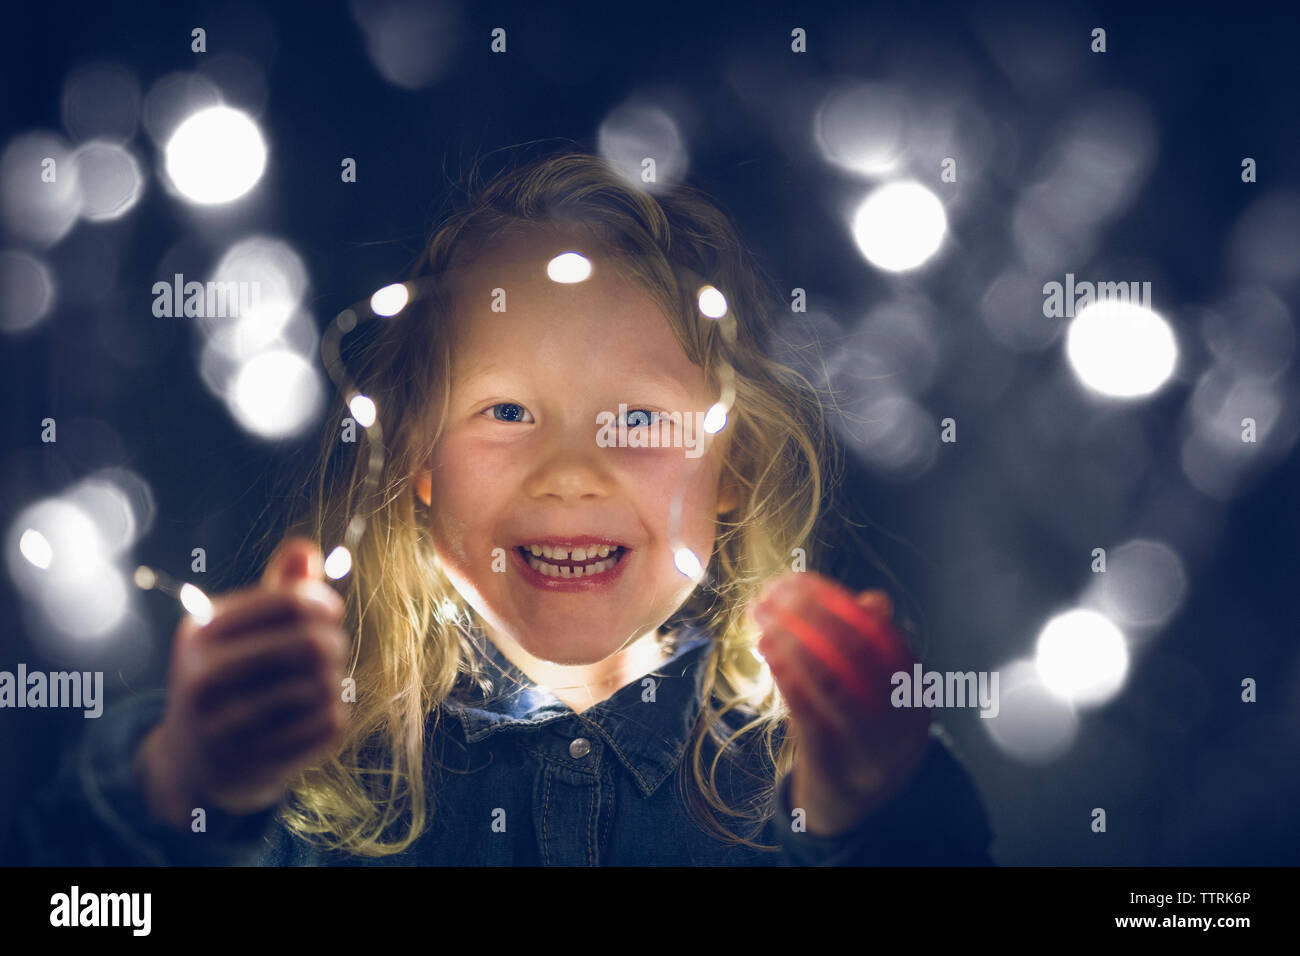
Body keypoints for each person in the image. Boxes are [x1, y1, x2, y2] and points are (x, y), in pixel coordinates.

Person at [9, 147, 994, 866]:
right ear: (417, 456)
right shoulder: (305, 773)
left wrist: (881, 814)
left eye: (638, 418)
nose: (569, 472)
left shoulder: (805, 775)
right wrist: (185, 782)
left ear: (731, 464)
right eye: (508, 409)